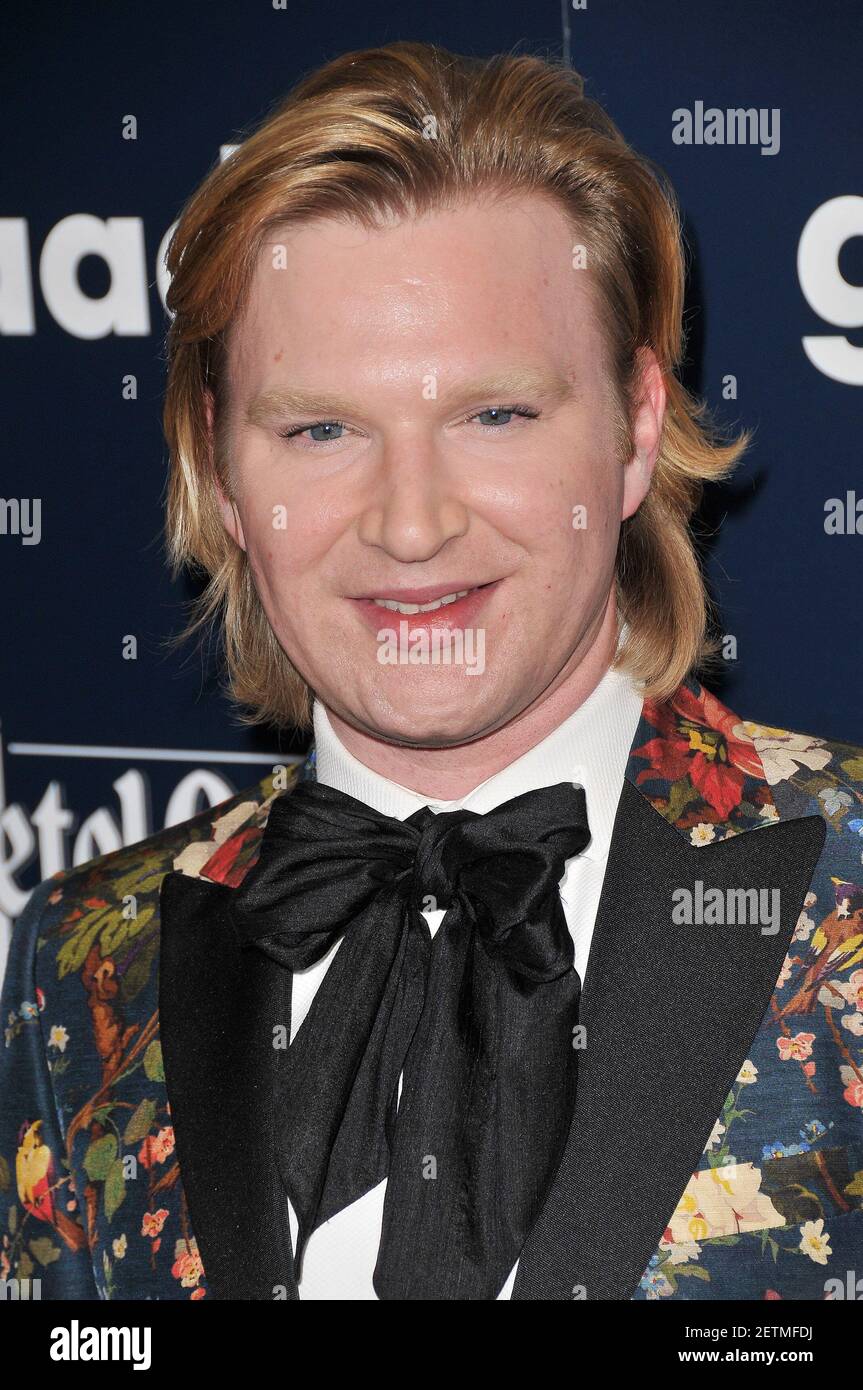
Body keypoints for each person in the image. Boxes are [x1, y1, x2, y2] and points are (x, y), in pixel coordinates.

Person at [2, 40, 861, 1302]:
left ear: (630, 430)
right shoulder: (84, 957)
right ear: (222, 473)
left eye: (493, 415)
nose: (410, 525)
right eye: (320, 429)